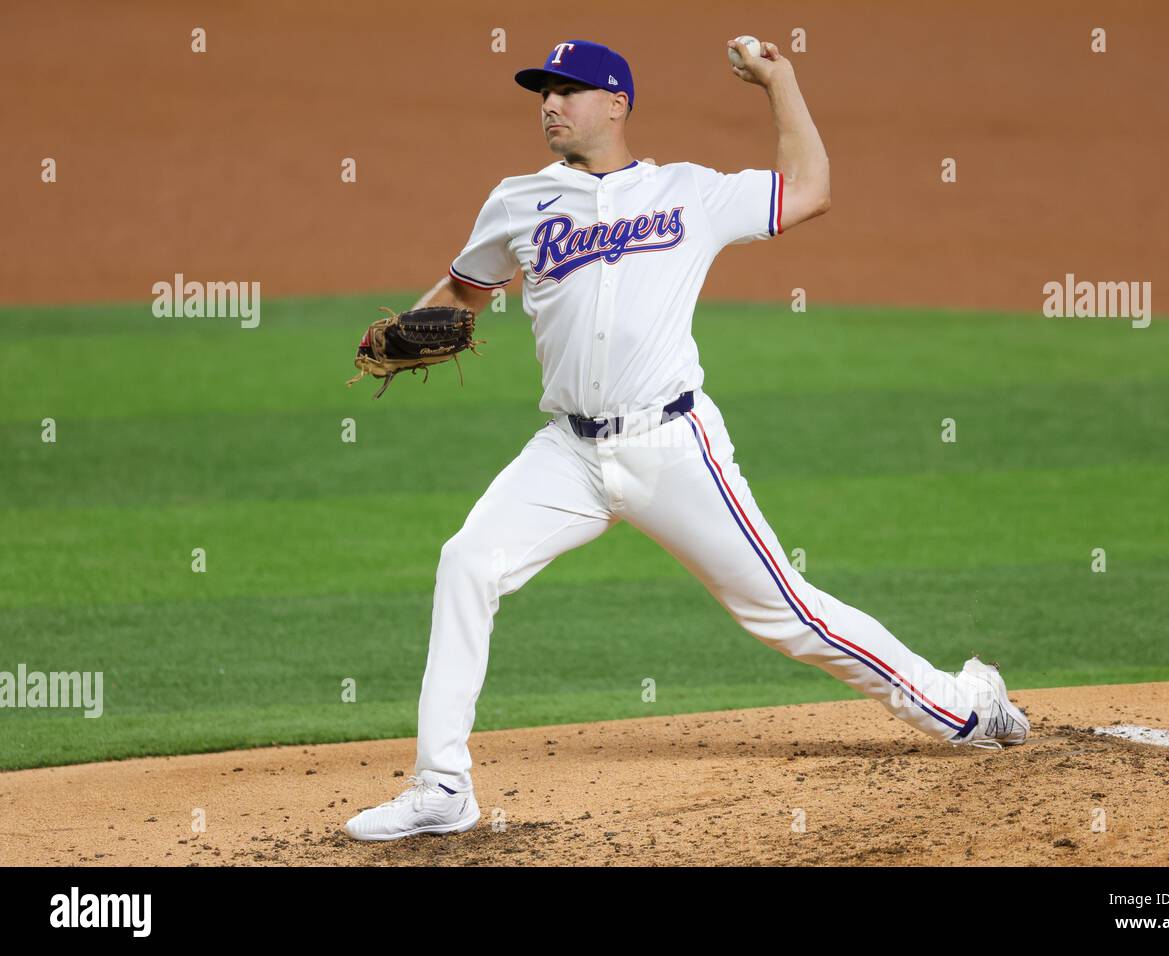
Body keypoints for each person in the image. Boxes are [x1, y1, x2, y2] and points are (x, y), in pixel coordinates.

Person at [345, 38, 1028, 842]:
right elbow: (464, 290)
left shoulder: (688, 192)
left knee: (788, 616)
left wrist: (782, 81)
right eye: (543, 92)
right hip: (567, 452)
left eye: (568, 90)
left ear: (616, 104)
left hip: (674, 447)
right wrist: (411, 328)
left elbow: (809, 190)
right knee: (467, 560)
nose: (550, 104)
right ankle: (442, 786)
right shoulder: (518, 200)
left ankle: (962, 705)